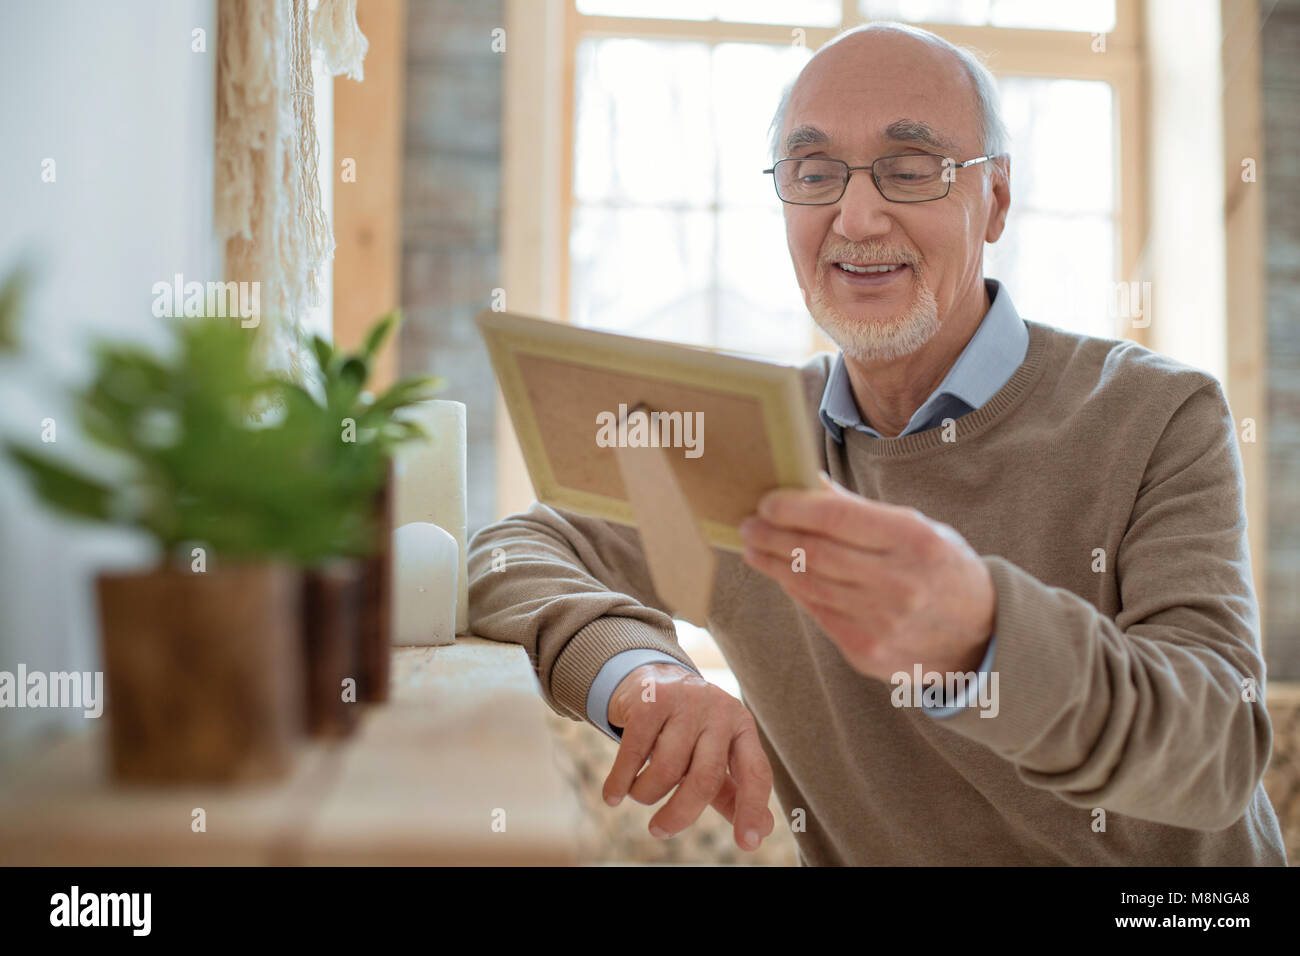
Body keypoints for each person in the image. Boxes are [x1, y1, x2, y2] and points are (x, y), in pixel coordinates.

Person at [467, 22, 1287, 865]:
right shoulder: (744, 441)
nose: (855, 217)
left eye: (912, 167)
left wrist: (982, 638)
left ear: (995, 198)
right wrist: (642, 674)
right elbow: (509, 552)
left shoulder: (1157, 414)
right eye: (814, 172)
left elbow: (1217, 752)